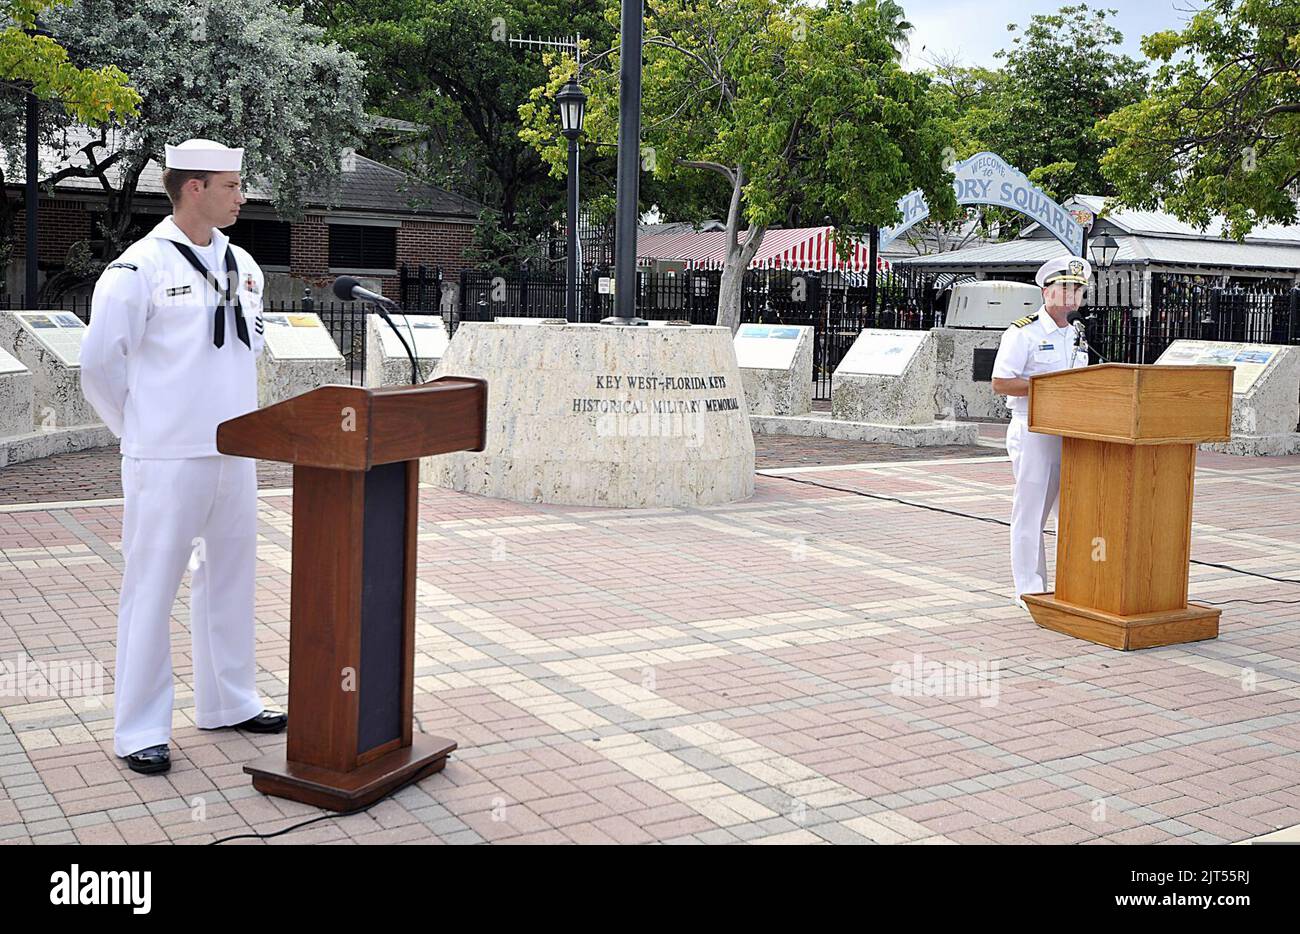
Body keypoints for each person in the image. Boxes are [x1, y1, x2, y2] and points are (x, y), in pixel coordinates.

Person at [81, 138, 285, 775]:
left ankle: (229, 700)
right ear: (192, 188)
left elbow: (244, 354)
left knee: (230, 577)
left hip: (234, 452)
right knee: (152, 588)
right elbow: (98, 366)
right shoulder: (138, 269)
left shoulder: (243, 263)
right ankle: (140, 726)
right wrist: (139, 432)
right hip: (166, 457)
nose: (241, 196)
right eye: (231, 186)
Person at [991, 255, 1093, 609]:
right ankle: (1028, 587)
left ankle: (1071, 581)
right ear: (1046, 291)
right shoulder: (1023, 332)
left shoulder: (1077, 334)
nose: (1071, 296)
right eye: (1064, 288)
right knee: (1030, 512)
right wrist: (1047, 389)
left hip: (1070, 433)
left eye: (1077, 290)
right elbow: (1001, 382)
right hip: (1033, 431)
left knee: (1071, 512)